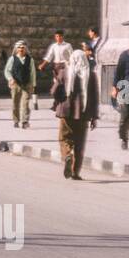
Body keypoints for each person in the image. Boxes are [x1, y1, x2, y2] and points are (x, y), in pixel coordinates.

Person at [52, 49, 99, 179]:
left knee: (64, 138)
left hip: (66, 113)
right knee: (80, 144)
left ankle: (67, 154)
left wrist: (60, 100)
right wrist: (94, 117)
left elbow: (54, 91)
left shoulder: (64, 73)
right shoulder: (92, 76)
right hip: (83, 115)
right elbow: (95, 98)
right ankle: (75, 172)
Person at [4, 40, 37, 129]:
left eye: (23, 47)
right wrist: (10, 79)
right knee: (15, 103)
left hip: (27, 84)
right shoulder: (12, 59)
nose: (21, 49)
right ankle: (16, 120)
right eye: (19, 47)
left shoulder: (30, 60)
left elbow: (33, 73)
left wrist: (33, 85)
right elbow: (7, 71)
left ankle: (25, 121)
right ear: (16, 49)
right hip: (15, 84)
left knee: (25, 103)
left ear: (25, 49)